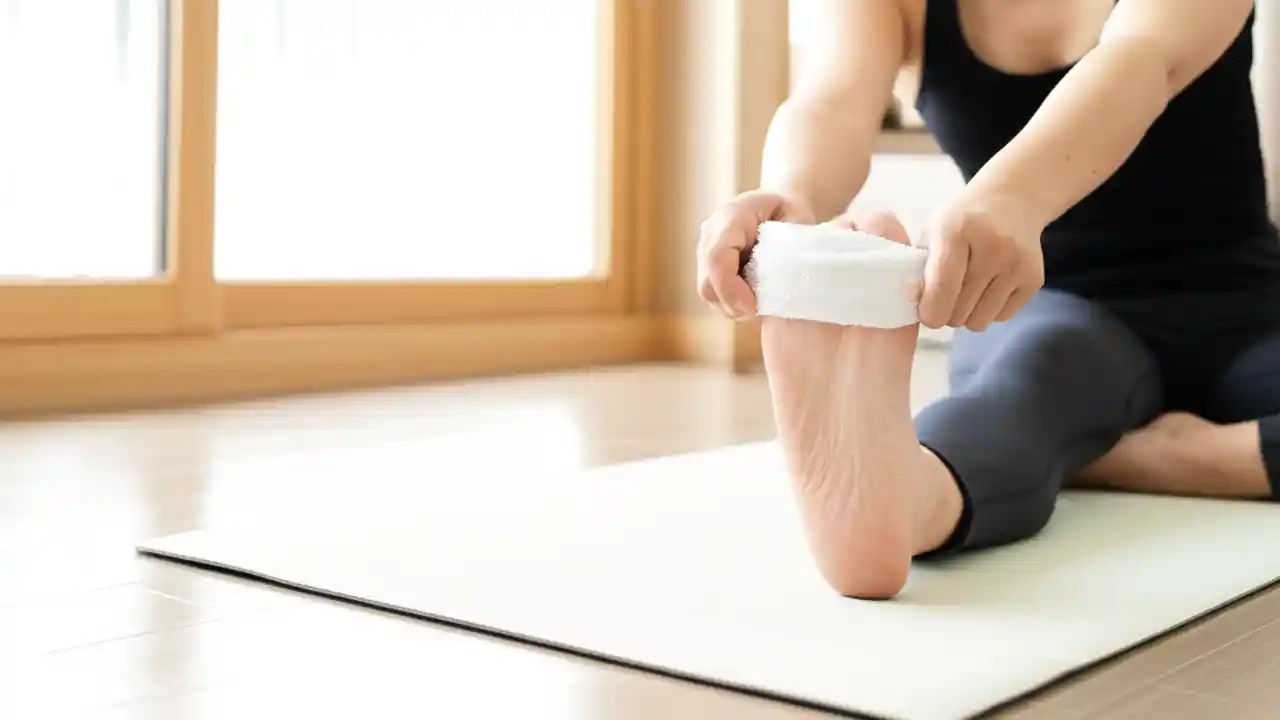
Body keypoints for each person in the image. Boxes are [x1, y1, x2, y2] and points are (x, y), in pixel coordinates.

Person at [696, 0, 1280, 599]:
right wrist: (789, 198)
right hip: (1043, 307)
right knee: (1024, 391)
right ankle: (901, 499)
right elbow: (832, 101)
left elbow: (1143, 61)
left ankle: (1132, 457)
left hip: (1247, 311)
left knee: (1045, 400)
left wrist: (1013, 198)